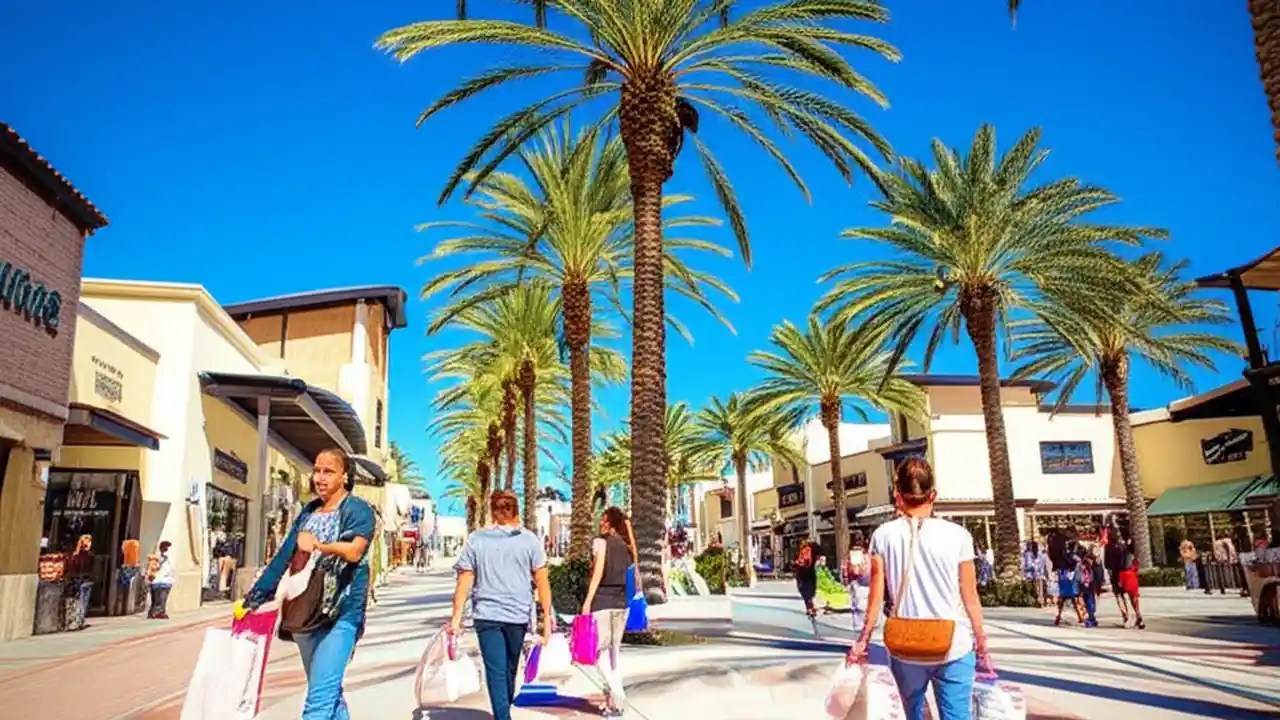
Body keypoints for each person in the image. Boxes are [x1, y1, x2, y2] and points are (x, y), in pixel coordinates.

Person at [237, 448, 375, 720]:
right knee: (327, 692)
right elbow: (283, 556)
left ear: (344, 476)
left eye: (329, 471)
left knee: (318, 704)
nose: (320, 478)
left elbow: (355, 551)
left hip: (340, 614)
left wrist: (318, 546)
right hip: (304, 611)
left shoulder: (358, 510)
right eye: (317, 470)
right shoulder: (309, 511)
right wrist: (254, 598)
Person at [848, 457, 988, 720]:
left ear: (896, 494)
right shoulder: (958, 535)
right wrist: (981, 643)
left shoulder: (883, 535)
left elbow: (876, 597)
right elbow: (970, 596)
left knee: (912, 714)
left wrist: (863, 640)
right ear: (932, 494)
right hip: (953, 644)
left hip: (906, 646)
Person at [450, 491, 552, 720]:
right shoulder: (530, 541)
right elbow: (542, 581)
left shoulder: (477, 540)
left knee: (499, 671)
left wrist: (456, 618)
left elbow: (464, 579)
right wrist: (547, 618)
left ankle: (501, 711)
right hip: (515, 616)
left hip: (488, 615)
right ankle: (503, 715)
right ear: (517, 511)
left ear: (492, 512)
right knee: (506, 670)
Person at [581, 507, 638, 718]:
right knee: (614, 655)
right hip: (622, 603)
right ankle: (614, 704)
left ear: (610, 523)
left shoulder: (600, 542)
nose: (601, 523)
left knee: (597, 652)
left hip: (602, 602)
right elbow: (635, 570)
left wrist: (587, 602)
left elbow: (597, 573)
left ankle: (617, 691)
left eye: (604, 520)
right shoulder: (627, 547)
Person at [1115, 532, 1145, 629]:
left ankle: (1127, 617)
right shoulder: (1132, 552)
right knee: (1133, 597)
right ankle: (1138, 615)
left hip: (1123, 574)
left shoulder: (1119, 550)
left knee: (1120, 595)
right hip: (1132, 574)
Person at [845, 531, 871, 635]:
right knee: (866, 603)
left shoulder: (853, 553)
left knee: (857, 603)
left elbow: (855, 571)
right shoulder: (866, 553)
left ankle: (860, 628)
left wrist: (846, 579)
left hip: (857, 581)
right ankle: (867, 626)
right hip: (867, 580)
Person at [148, 541, 175, 619]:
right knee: (159, 598)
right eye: (165, 546)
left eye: (167, 547)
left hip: (166, 580)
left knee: (162, 598)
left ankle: (160, 612)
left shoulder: (168, 557)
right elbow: (154, 565)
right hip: (158, 580)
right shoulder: (157, 556)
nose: (166, 548)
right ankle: (156, 612)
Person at [793, 540, 818, 617]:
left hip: (804, 573)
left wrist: (797, 563)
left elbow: (803, 562)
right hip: (809, 573)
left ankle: (810, 608)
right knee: (809, 591)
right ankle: (811, 607)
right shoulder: (809, 550)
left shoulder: (804, 551)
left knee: (805, 591)